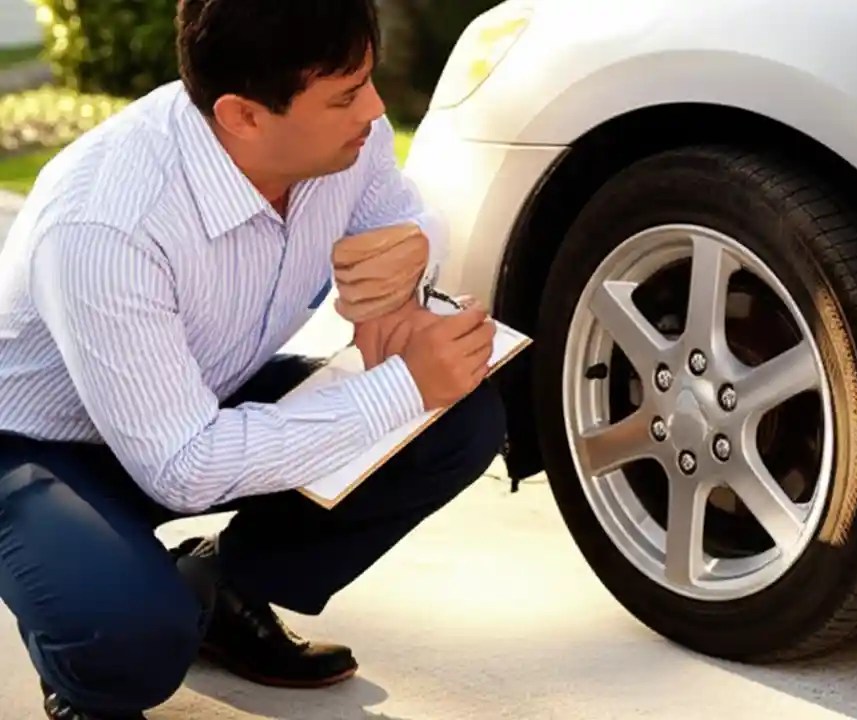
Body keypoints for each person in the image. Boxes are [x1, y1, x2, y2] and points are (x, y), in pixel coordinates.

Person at [0, 0, 505, 717]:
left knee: (455, 419)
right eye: (345, 95)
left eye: (366, 79)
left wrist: (416, 251)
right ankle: (89, 665)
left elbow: (397, 220)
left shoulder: (344, 144)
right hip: (34, 447)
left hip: (199, 396)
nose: (375, 107)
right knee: (129, 638)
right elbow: (182, 467)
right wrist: (401, 385)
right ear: (243, 116)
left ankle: (225, 588)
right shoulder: (106, 222)